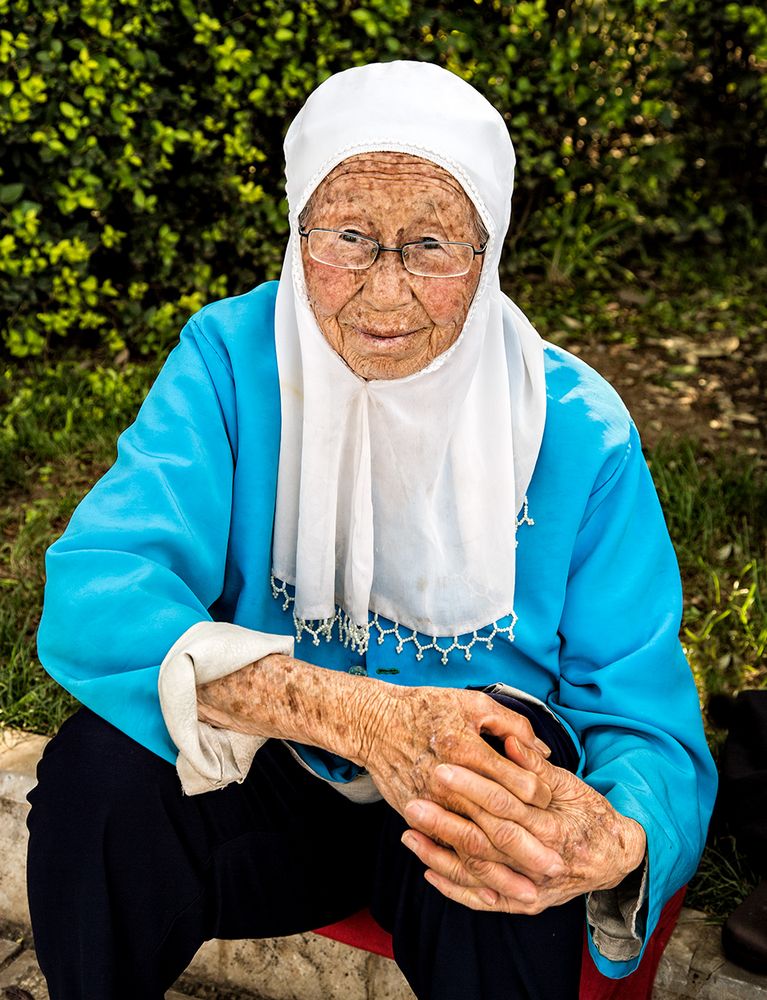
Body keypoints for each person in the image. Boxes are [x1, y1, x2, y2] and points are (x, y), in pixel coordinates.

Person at [27, 61, 717, 1000]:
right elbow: (98, 589)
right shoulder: (230, 359)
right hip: (272, 776)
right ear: (296, 232)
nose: (385, 293)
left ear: (489, 250)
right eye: (347, 237)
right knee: (98, 782)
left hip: (457, 808)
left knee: (506, 839)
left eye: (432, 244)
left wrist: (614, 838)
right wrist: (362, 717)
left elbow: (643, 717)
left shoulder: (574, 430)